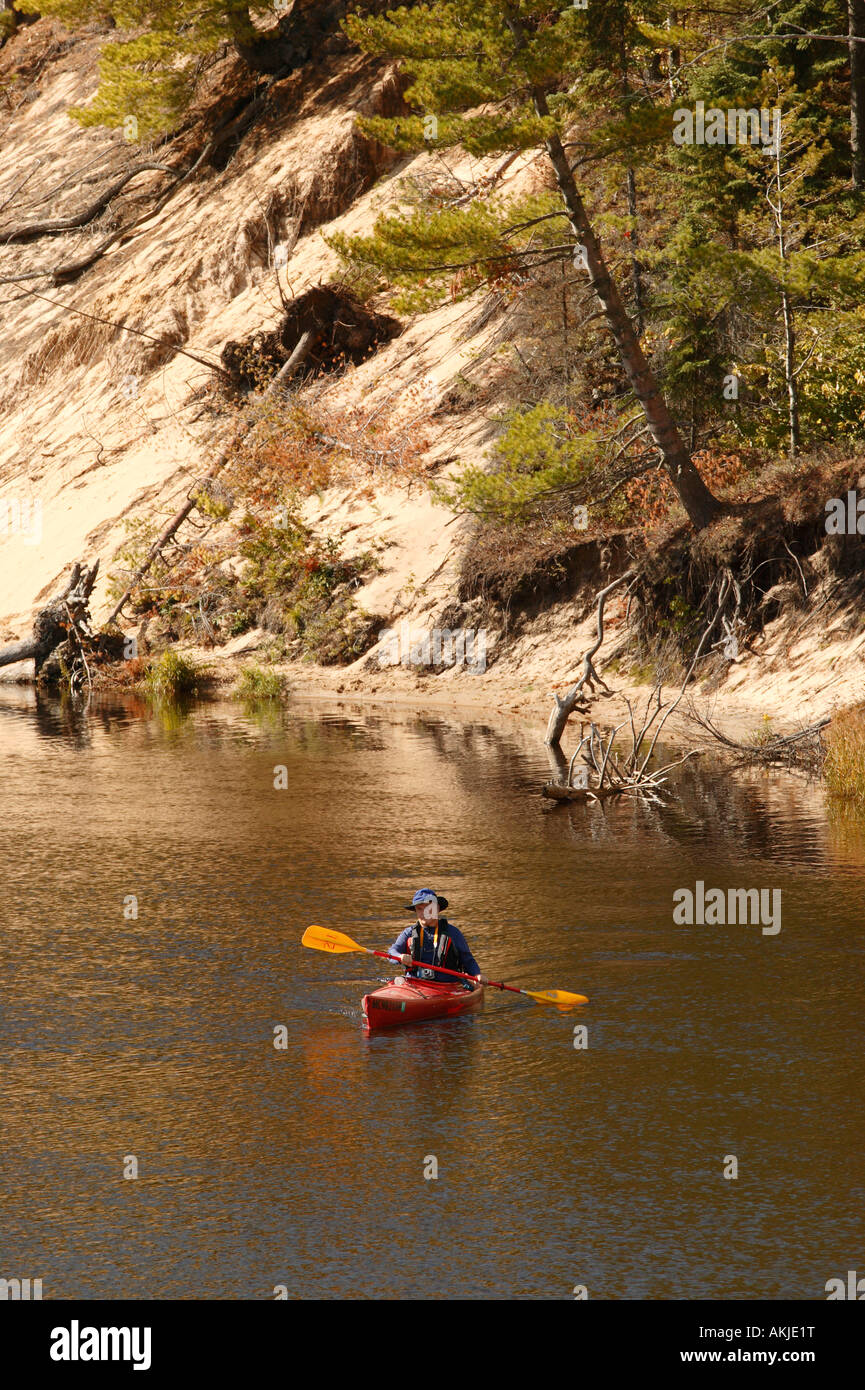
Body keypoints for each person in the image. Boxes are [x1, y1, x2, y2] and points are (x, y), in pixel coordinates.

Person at [389, 889, 487, 987]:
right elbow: (392, 952)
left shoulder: (453, 933)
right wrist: (400, 956)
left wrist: (477, 974)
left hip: (447, 986)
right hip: (414, 985)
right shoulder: (408, 933)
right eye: (419, 909)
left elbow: (468, 960)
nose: (423, 913)